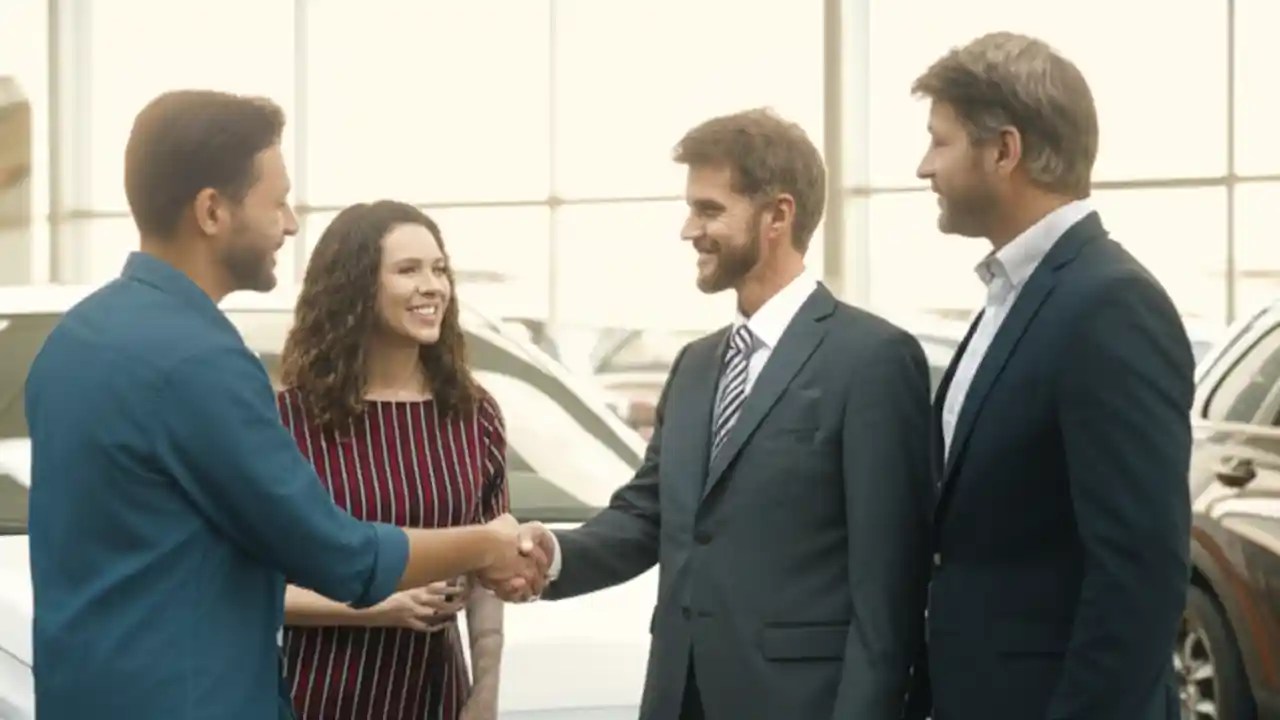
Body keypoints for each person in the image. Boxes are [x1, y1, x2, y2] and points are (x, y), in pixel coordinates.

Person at [23, 90, 542, 720]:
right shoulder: (201, 363)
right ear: (212, 211)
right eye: (277, 202)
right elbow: (341, 556)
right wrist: (487, 542)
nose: (291, 224)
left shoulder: (73, 341)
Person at [504, 108, 935, 719]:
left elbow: (889, 591)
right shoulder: (697, 365)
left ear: (777, 216)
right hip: (679, 698)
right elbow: (647, 514)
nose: (689, 230)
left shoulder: (872, 361)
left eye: (709, 209)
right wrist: (554, 554)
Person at [910, 33, 1195, 720]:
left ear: (1004, 151)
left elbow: (1139, 576)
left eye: (939, 142)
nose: (923, 168)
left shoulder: (1110, 304)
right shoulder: (1014, 296)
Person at [276, 201, 508, 720]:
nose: (433, 286)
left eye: (439, 268)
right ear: (355, 287)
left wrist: (485, 691)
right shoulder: (287, 421)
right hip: (317, 697)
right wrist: (375, 606)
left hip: (436, 695)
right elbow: (247, 585)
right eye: (408, 270)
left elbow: (489, 568)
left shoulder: (473, 413)